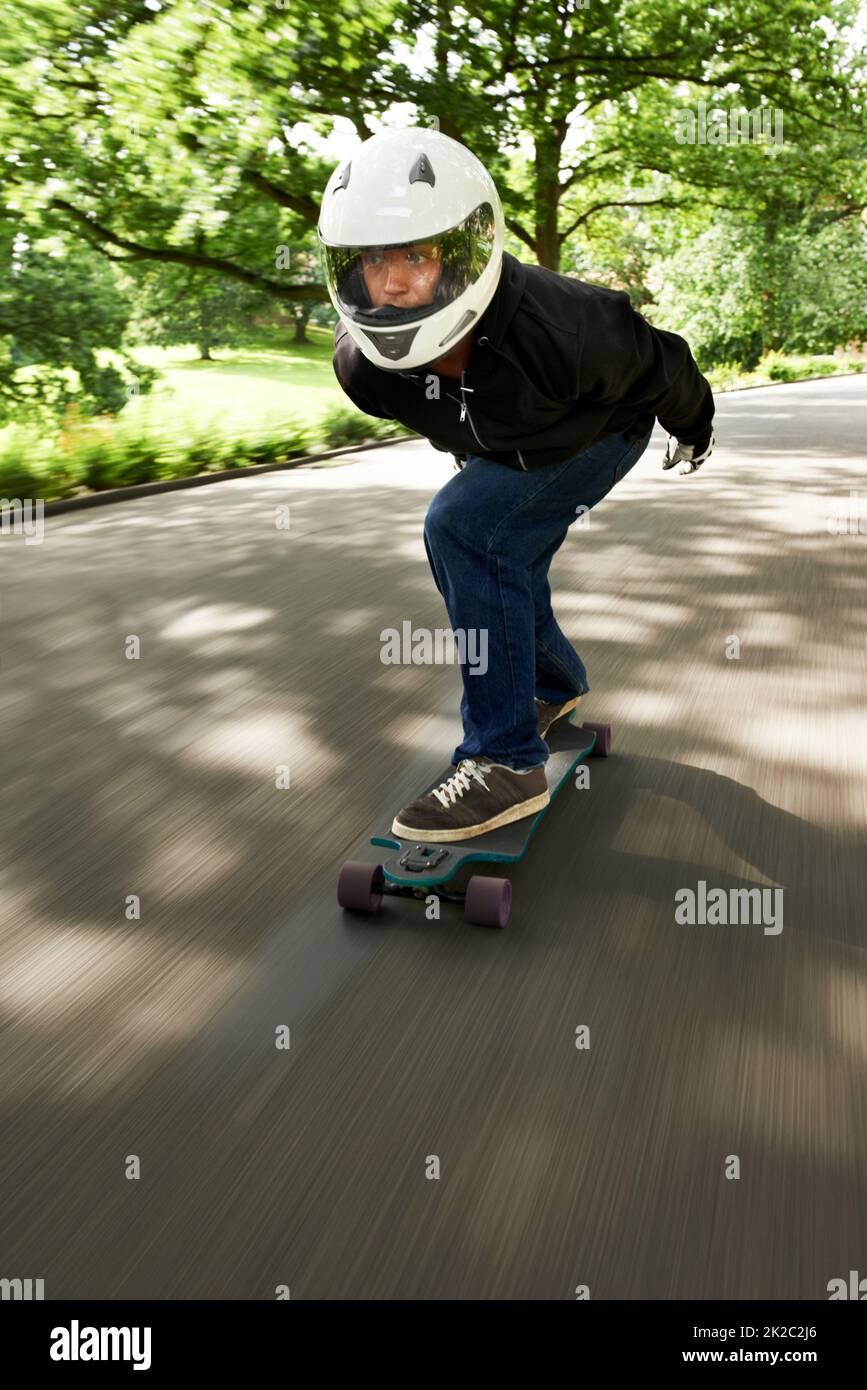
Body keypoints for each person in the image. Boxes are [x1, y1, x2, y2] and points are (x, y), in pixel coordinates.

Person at [317, 127, 714, 843]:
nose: (395, 281)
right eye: (373, 260)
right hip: (508, 448)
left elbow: (664, 365)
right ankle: (551, 689)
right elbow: (458, 415)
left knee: (464, 530)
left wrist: (693, 427)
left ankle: (505, 761)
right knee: (502, 557)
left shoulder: (567, 325)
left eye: (418, 255)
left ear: (464, 253)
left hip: (600, 434)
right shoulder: (365, 369)